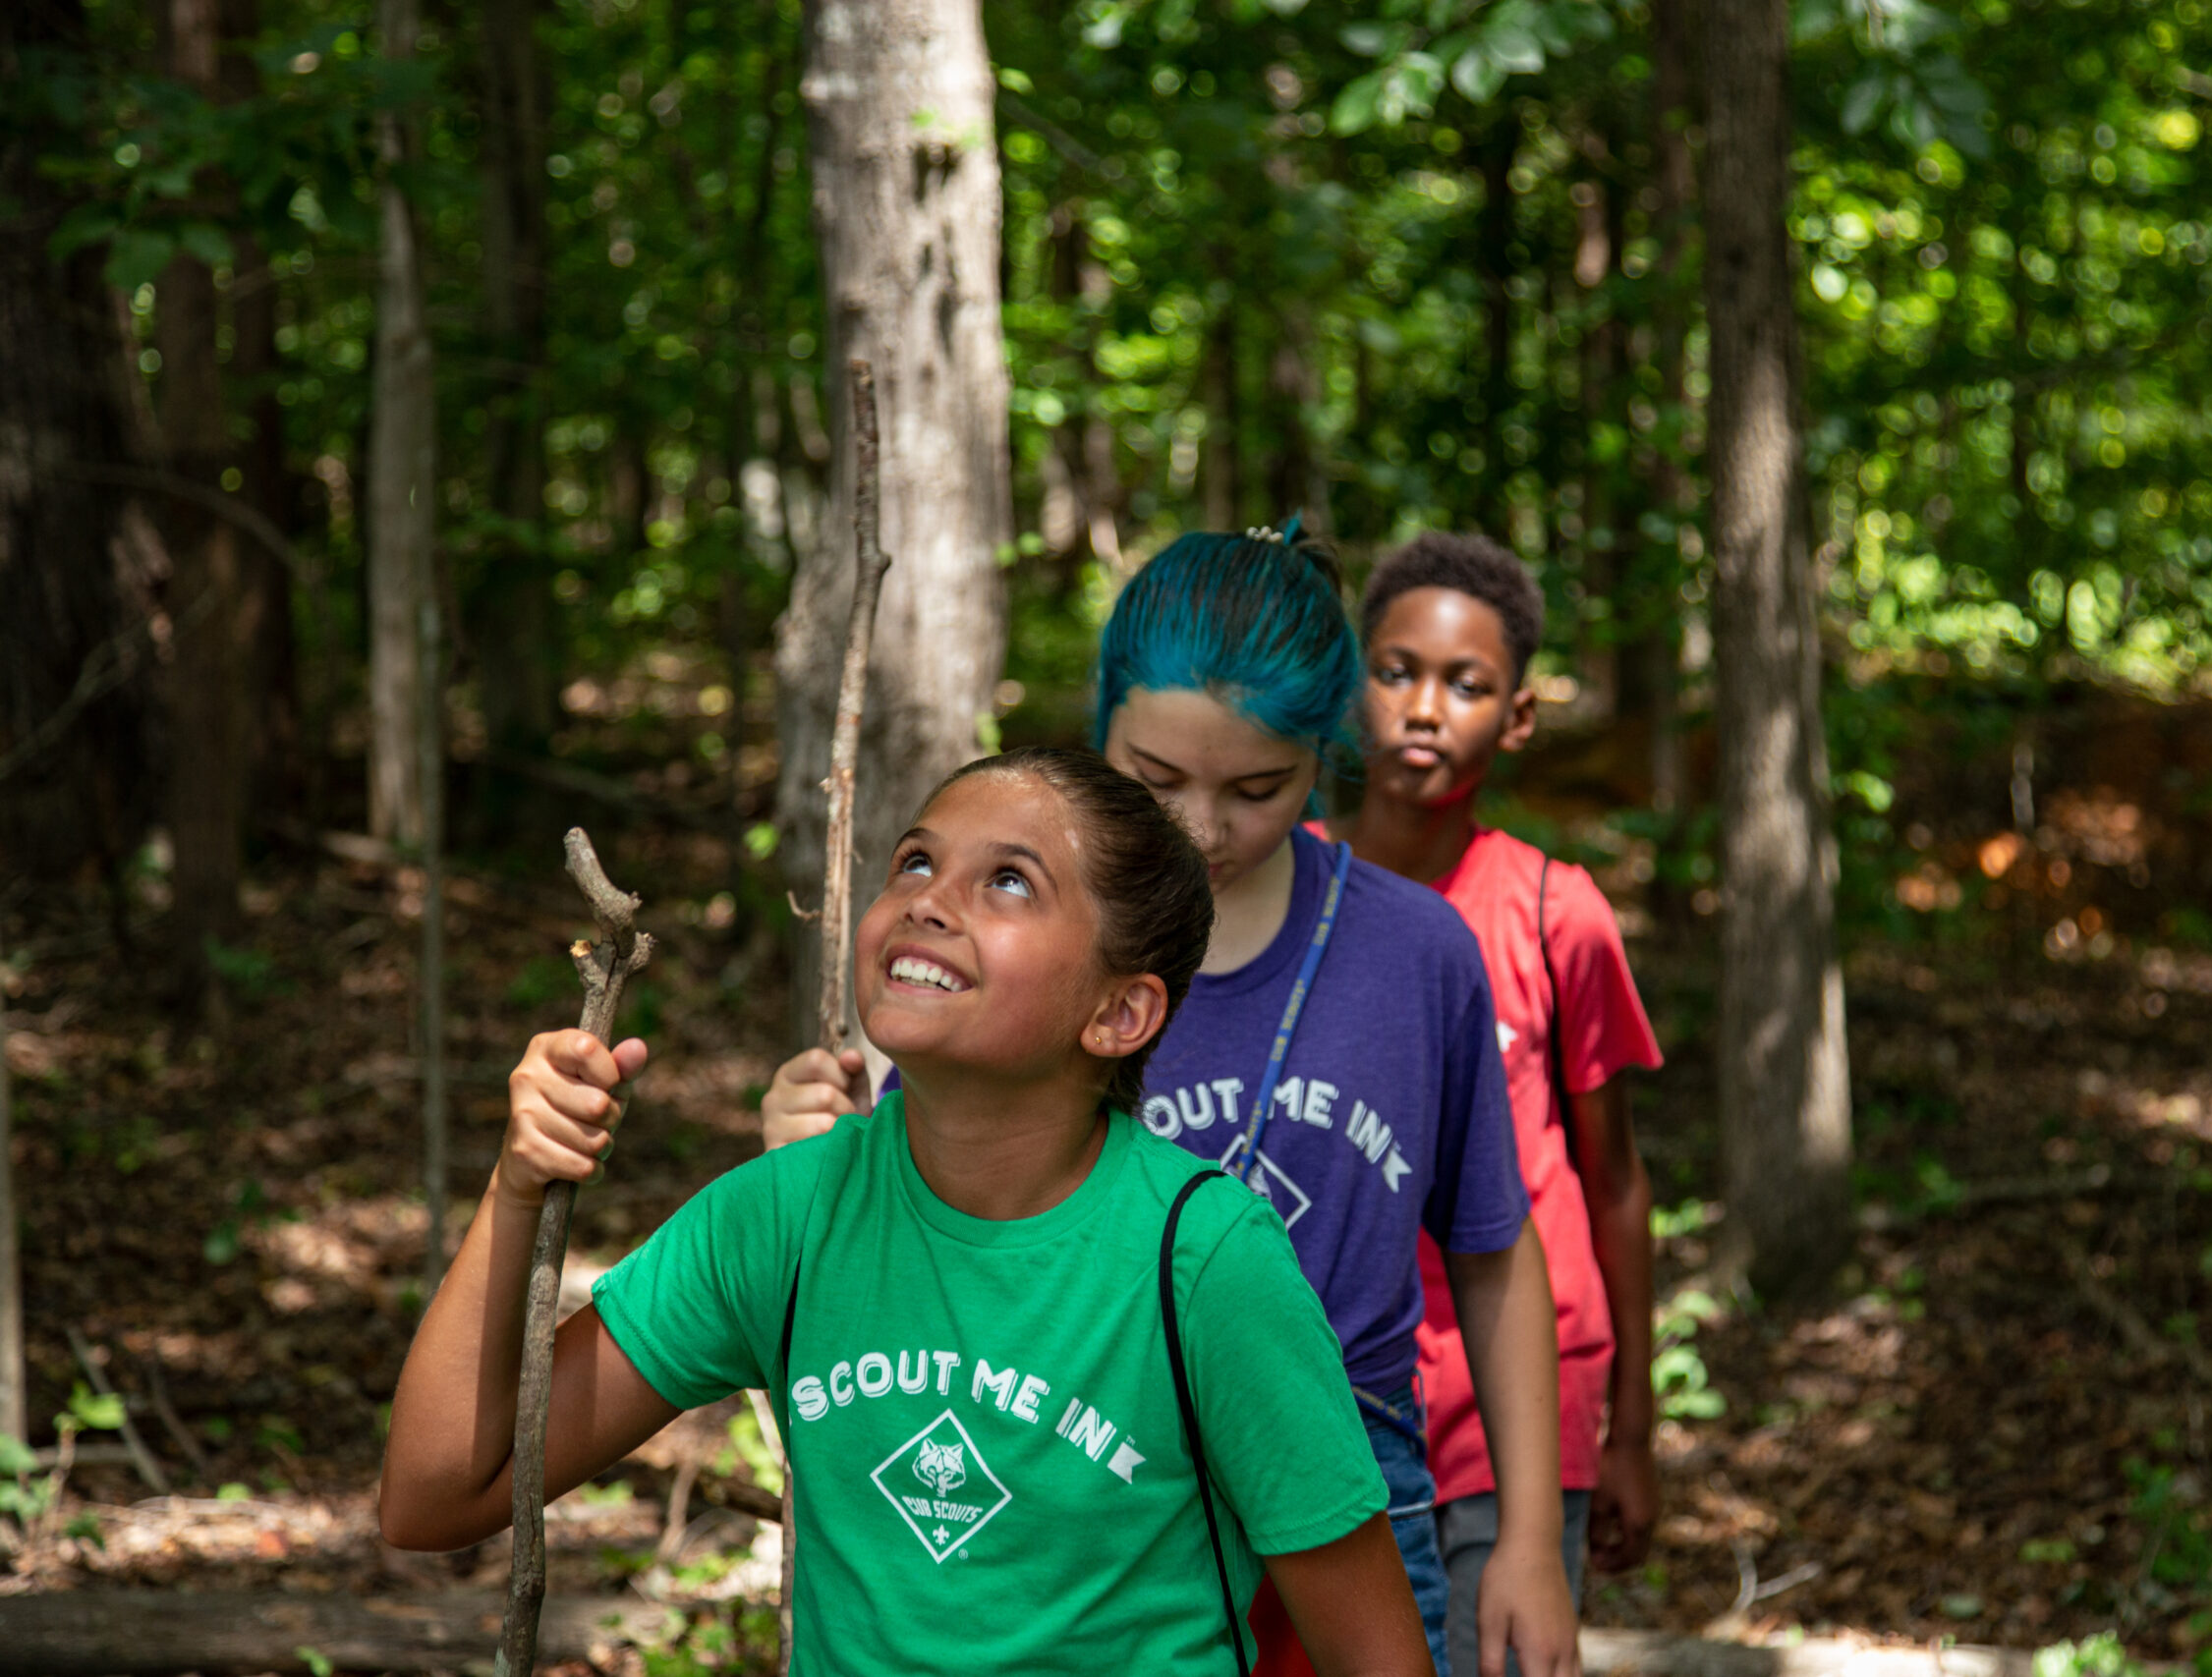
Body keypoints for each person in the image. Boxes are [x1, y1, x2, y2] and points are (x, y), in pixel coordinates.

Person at [379, 747, 1435, 1677]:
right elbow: (437, 1498)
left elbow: (1375, 1656)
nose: (931, 899)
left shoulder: (1202, 1259)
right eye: (916, 862)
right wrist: (519, 1184)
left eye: (1009, 882)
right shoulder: (783, 1219)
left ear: (1119, 1012)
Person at [767, 530, 1579, 1677]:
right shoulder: (1030, 960)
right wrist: (815, 1162)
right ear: (1101, 731)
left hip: (1357, 1487)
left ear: (1322, 758)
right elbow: (926, 1237)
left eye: (1258, 788)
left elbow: (1494, 1254)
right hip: (1093, 1487)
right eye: (1156, 781)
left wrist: (1531, 1542)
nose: (1202, 827)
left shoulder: (1416, 954)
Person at [1328, 532, 1666, 1677]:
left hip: (1517, 1415)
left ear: (1516, 718)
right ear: (1347, 682)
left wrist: (1633, 1433)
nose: (1424, 708)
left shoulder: (1551, 914)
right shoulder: (1284, 901)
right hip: (1332, 1404)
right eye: (1394, 670)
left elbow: (1612, 1181)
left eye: (1466, 685)